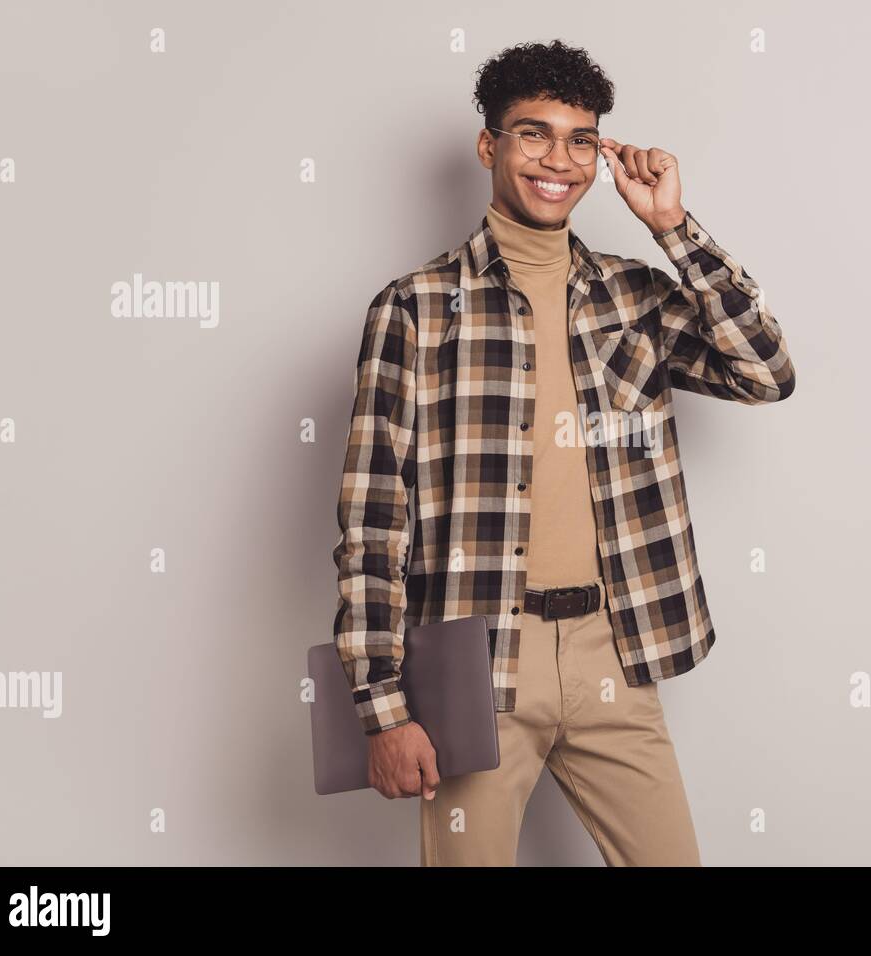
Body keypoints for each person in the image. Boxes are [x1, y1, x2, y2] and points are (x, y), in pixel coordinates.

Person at [332, 39, 795, 866]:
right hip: (475, 660)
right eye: (533, 134)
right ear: (490, 146)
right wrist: (382, 707)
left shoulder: (637, 296)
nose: (560, 159)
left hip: (613, 648)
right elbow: (373, 521)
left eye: (581, 139)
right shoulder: (416, 308)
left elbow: (765, 373)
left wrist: (672, 228)